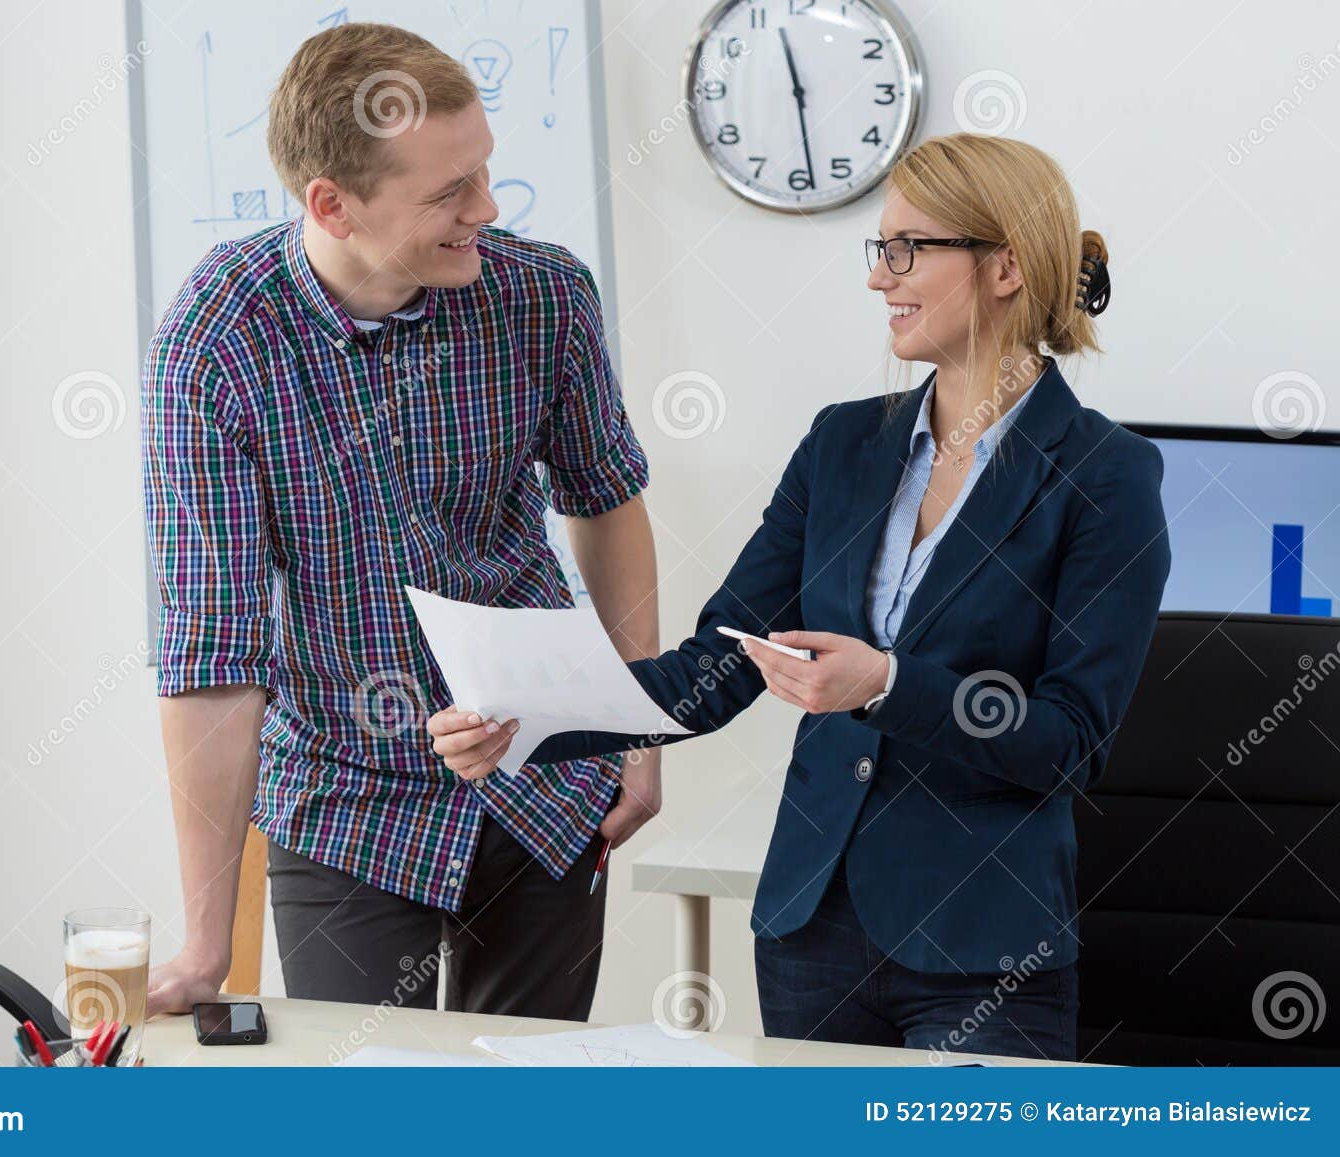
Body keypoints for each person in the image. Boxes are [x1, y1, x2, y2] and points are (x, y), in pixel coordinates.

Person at [429, 133, 1170, 1060]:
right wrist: (530, 716)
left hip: (984, 947)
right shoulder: (844, 445)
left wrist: (890, 684)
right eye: (881, 249)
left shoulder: (1106, 475)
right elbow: (720, 662)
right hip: (812, 931)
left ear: (1006, 267)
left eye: (907, 249)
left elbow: (1070, 742)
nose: (880, 278)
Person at [142, 22, 661, 1023]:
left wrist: (630, 728)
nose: (487, 208)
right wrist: (207, 939)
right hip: (346, 798)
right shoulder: (217, 342)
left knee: (525, 1105)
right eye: (447, 193)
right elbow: (212, 654)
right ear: (331, 204)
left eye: (483, 172)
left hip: (544, 777)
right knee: (369, 1106)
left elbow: (607, 503)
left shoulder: (543, 293)